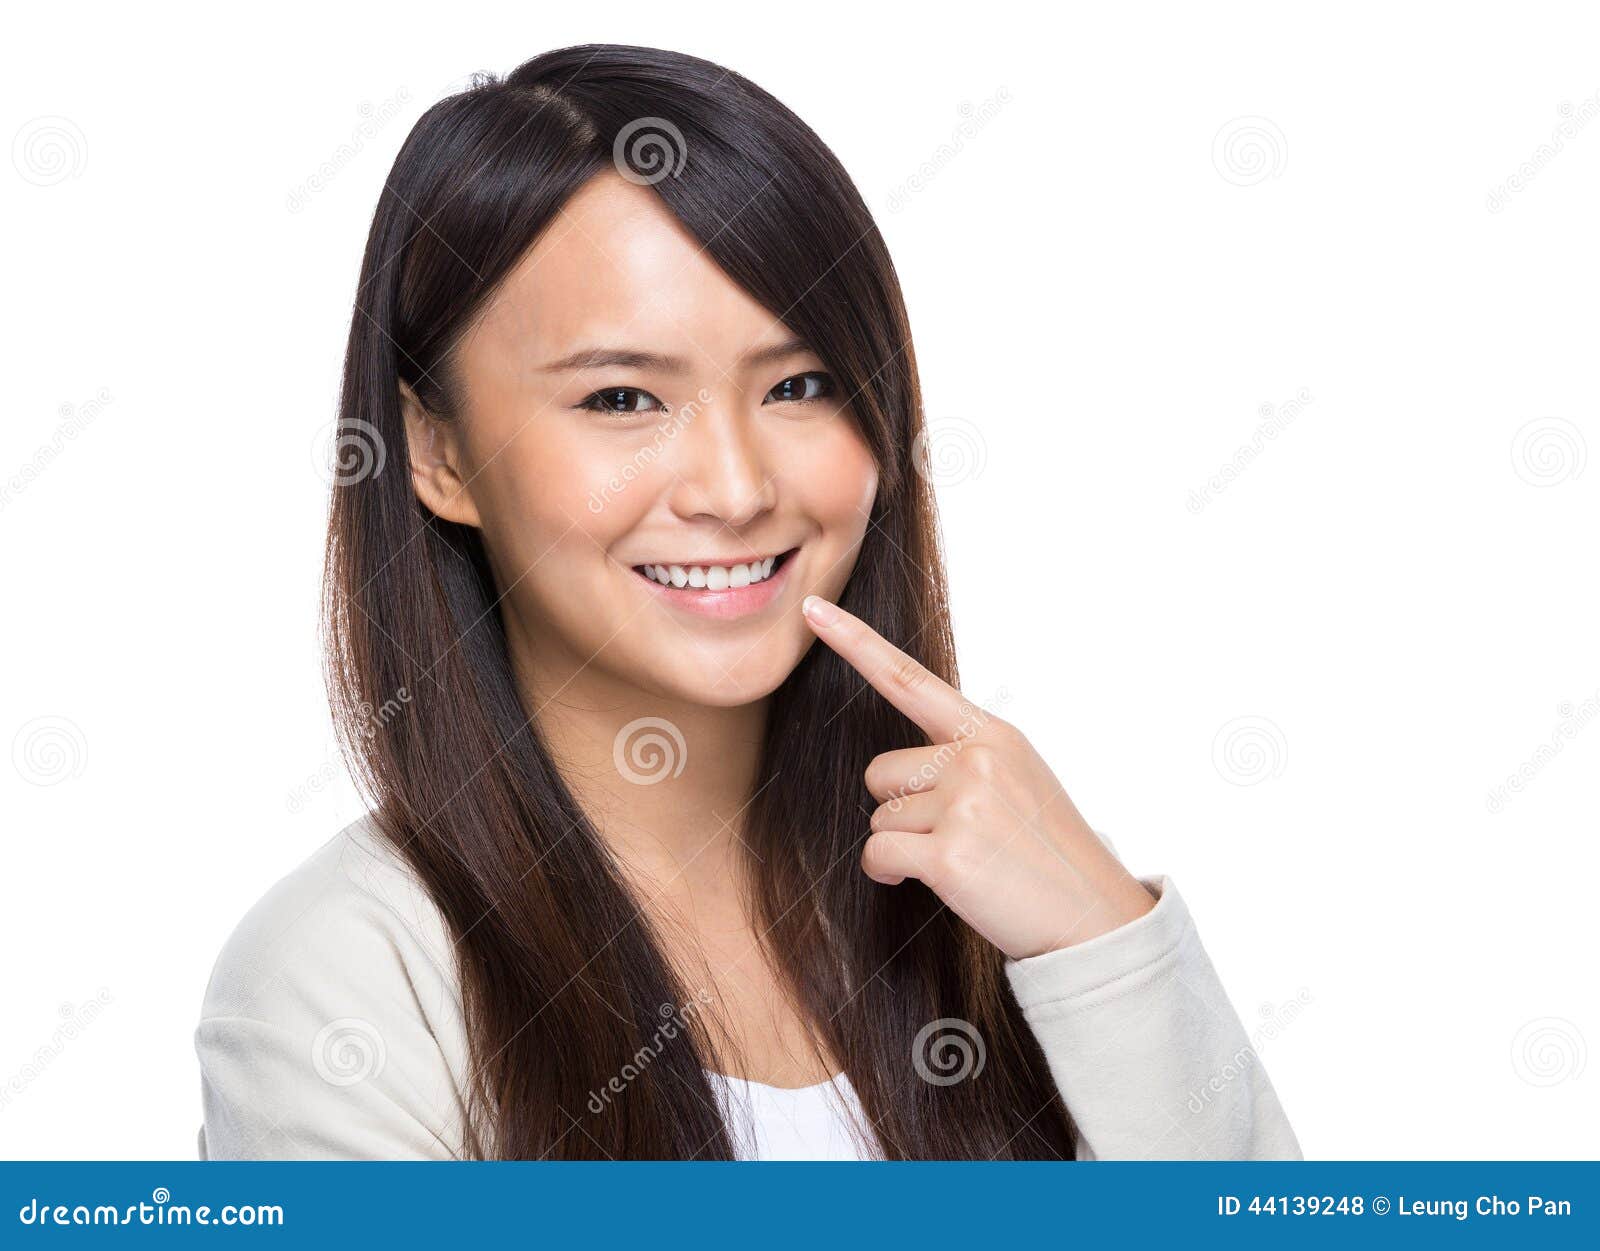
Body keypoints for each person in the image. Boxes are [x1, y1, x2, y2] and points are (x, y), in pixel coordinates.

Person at [195, 43, 1301, 1161]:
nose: (734, 489)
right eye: (622, 397)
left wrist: (1105, 942)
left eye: (798, 386)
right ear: (437, 452)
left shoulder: (1004, 888)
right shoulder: (344, 977)